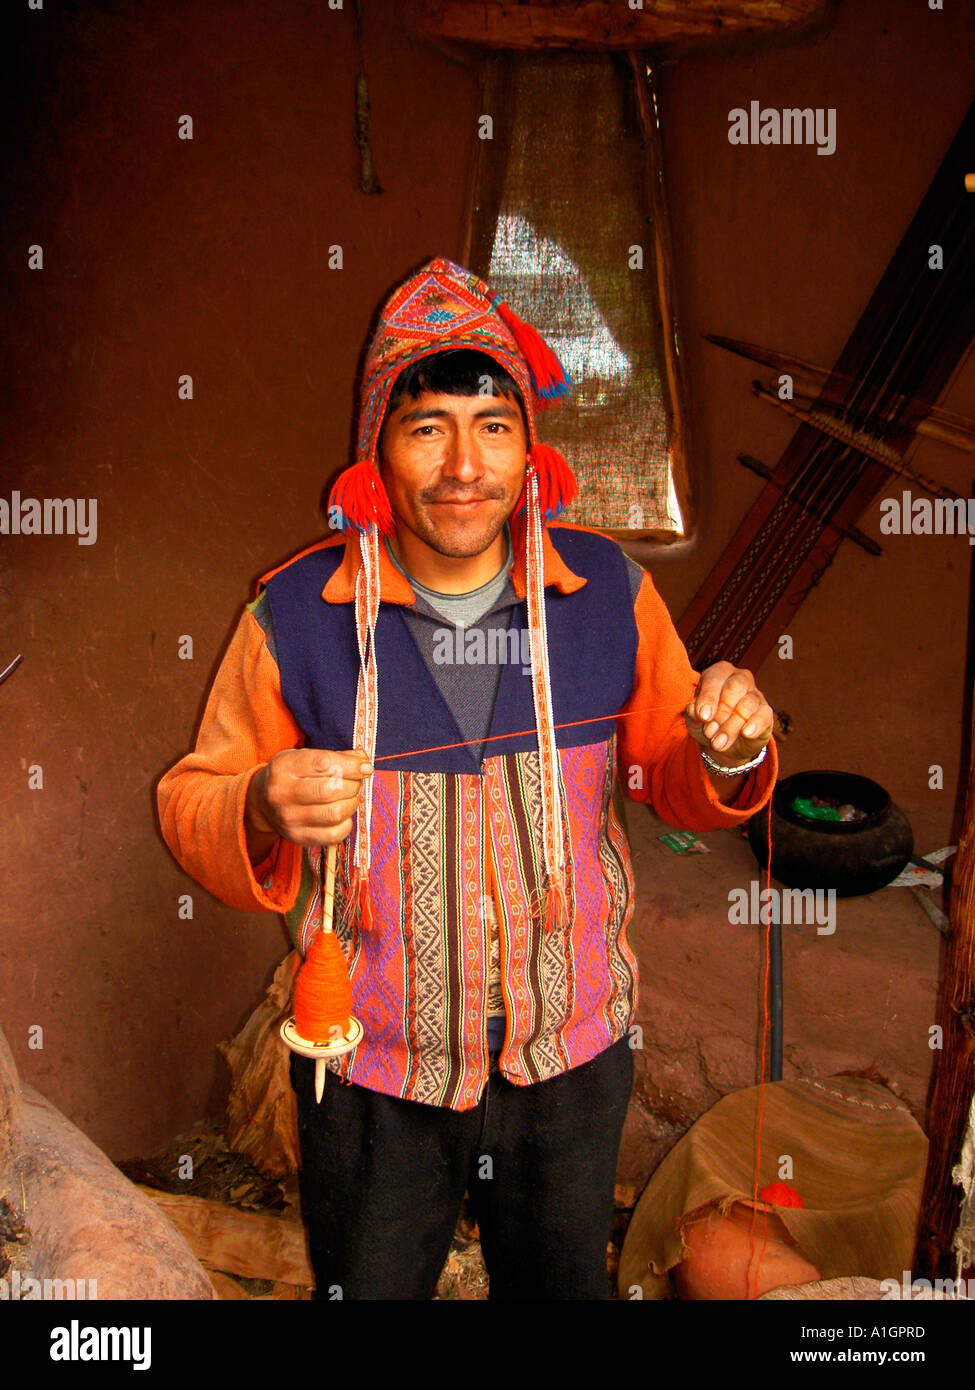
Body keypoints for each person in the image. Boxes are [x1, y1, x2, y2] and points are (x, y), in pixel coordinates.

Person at [157, 257, 777, 1301]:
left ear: (531, 450)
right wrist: (262, 798)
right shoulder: (298, 615)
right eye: (426, 427)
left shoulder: (606, 596)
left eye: (492, 427)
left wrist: (729, 748)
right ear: (377, 452)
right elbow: (193, 797)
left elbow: (676, 776)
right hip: (374, 1071)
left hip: (570, 1058)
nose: (461, 465)